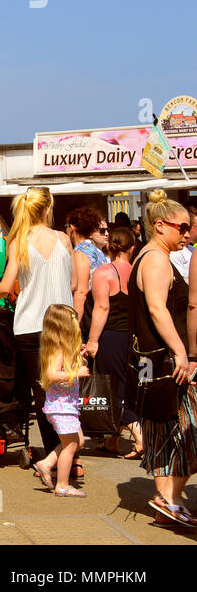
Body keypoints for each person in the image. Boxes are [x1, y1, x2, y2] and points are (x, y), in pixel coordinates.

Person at [0, 186, 73, 465]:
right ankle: (66, 455)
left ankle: (56, 455)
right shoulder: (64, 240)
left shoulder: (18, 241)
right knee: (65, 389)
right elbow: (74, 283)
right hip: (64, 324)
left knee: (42, 393)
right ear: (48, 208)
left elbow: (5, 287)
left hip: (30, 324)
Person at [128, 192, 197, 526]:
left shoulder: (151, 255)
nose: (186, 233)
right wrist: (181, 351)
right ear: (159, 225)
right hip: (161, 360)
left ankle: (169, 497)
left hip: (152, 360)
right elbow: (157, 309)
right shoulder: (155, 259)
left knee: (164, 426)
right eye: (181, 227)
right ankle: (168, 495)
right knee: (180, 426)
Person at [85, 224, 143, 458]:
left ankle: (140, 438)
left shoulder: (103, 273)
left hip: (109, 337)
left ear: (109, 246)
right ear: (132, 247)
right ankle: (112, 440)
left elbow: (101, 307)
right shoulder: (138, 270)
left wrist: (92, 340)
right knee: (125, 385)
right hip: (132, 337)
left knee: (111, 390)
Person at [30, 303, 90, 497]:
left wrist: (78, 357)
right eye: (73, 321)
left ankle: (46, 464)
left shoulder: (62, 349)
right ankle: (62, 484)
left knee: (77, 440)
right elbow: (51, 375)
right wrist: (75, 373)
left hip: (65, 406)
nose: (77, 324)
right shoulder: (57, 350)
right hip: (61, 406)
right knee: (70, 445)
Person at [67, 205, 108, 329]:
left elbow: (81, 291)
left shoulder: (81, 254)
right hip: (98, 313)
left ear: (72, 228)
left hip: (87, 315)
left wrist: (75, 325)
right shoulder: (97, 252)